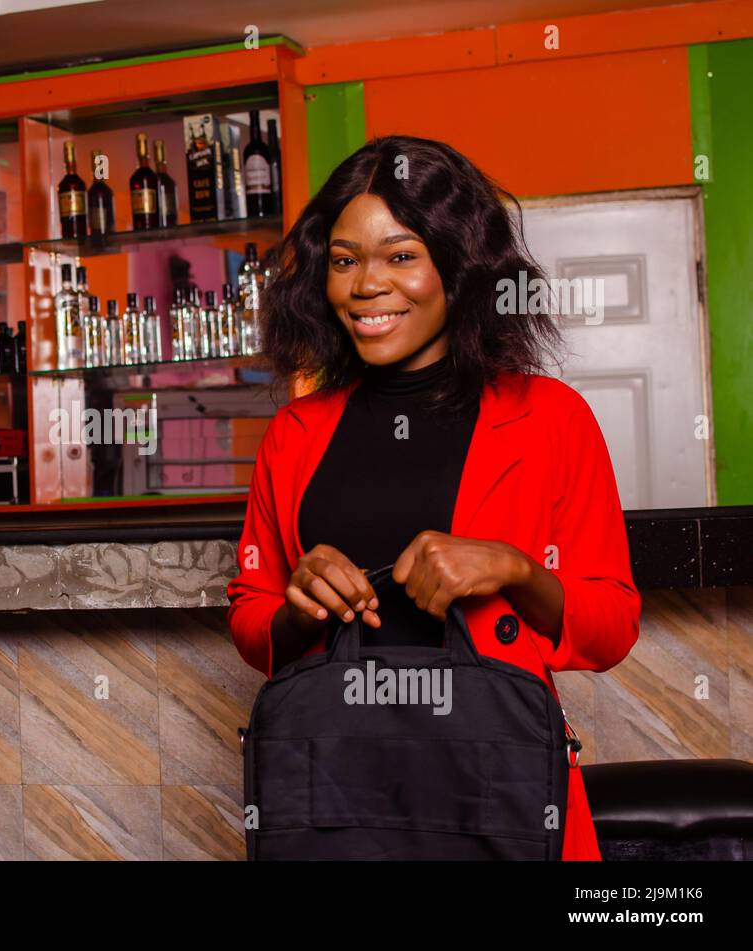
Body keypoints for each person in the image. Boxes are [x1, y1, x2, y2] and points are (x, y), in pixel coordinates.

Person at [225, 135, 641, 860]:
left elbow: (611, 626)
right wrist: (295, 611)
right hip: (334, 799)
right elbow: (250, 615)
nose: (365, 285)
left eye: (401, 255)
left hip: (496, 787)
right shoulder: (295, 432)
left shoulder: (550, 418)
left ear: (460, 265)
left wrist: (514, 569)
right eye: (346, 260)